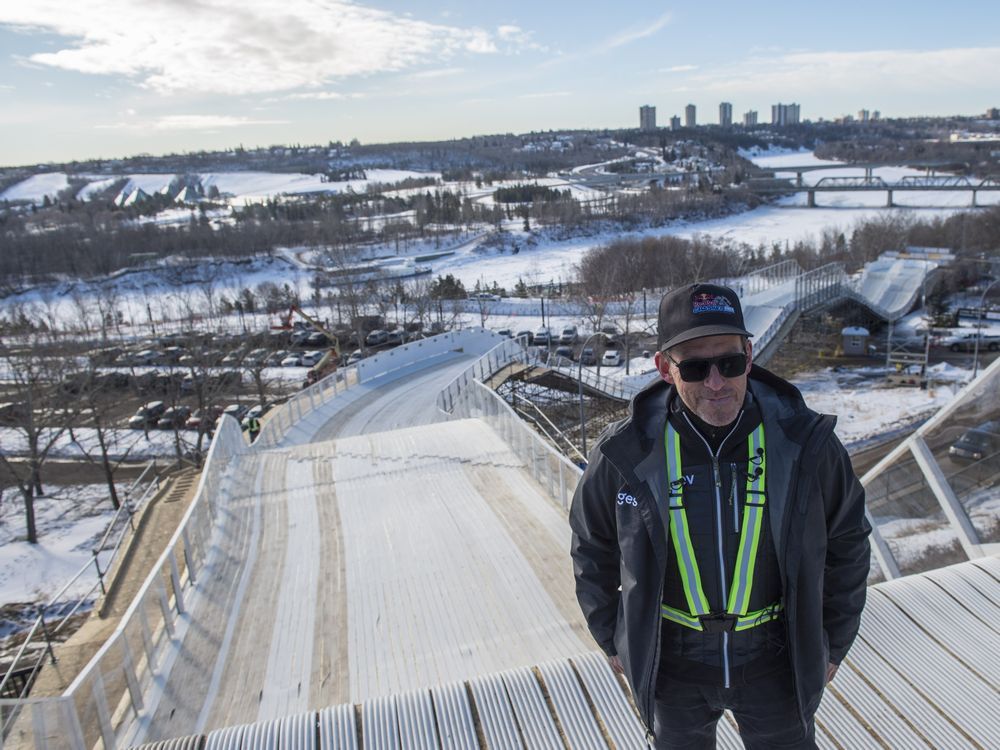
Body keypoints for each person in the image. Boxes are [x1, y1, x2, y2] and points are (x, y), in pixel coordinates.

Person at [569, 283, 871, 749]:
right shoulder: (625, 453)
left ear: (749, 358)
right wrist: (614, 639)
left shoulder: (804, 443)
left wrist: (834, 638)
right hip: (673, 671)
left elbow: (849, 540)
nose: (716, 382)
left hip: (776, 663)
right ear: (665, 369)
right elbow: (591, 546)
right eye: (694, 366)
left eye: (729, 363)